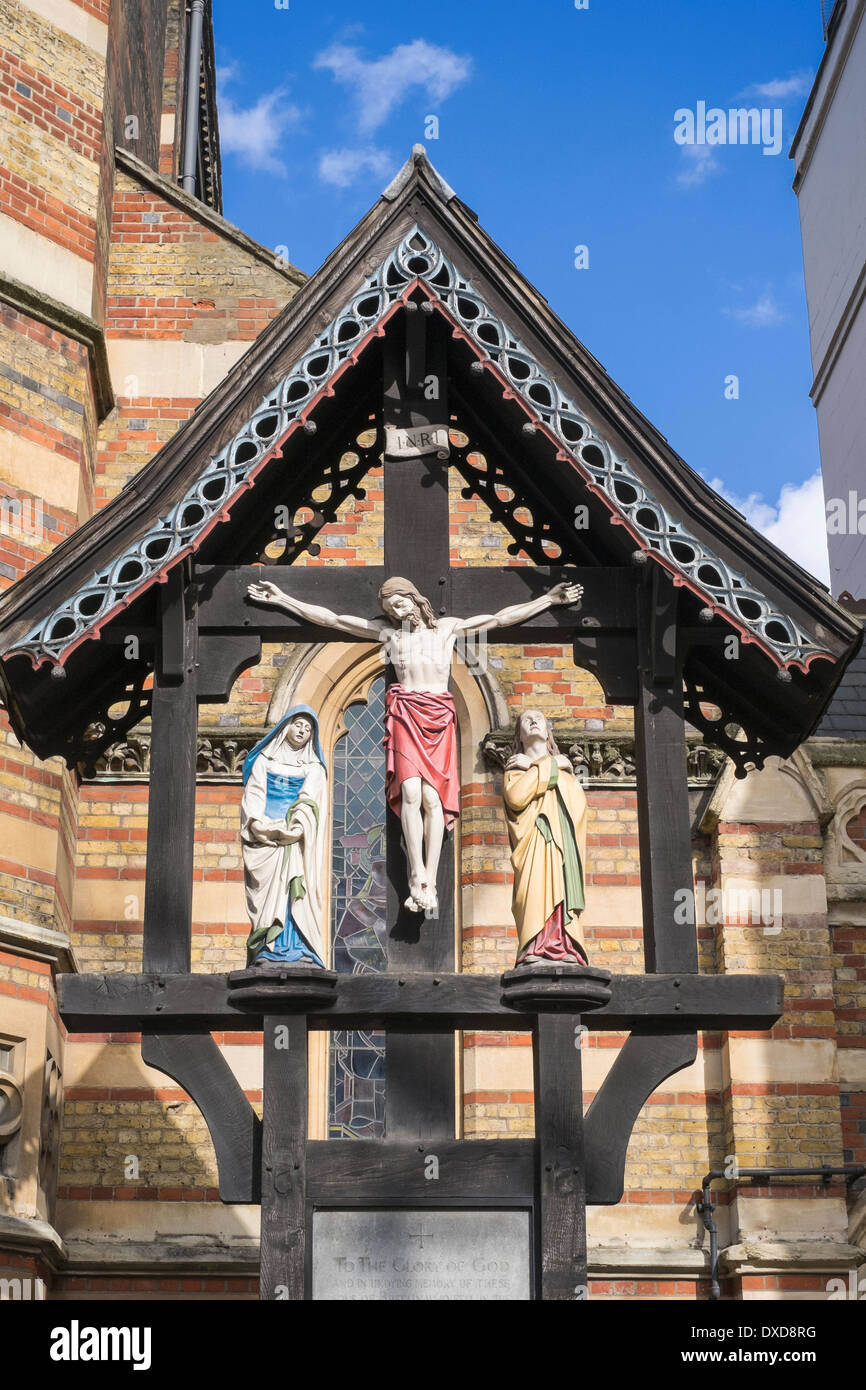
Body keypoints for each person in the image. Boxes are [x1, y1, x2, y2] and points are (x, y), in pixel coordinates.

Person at [247, 575, 583, 914]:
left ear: (414, 598)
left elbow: (497, 618)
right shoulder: (391, 636)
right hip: (406, 713)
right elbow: (334, 619)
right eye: (390, 608)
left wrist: (549, 600)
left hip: (437, 717)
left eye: (399, 602)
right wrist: (283, 600)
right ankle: (415, 873)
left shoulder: (447, 629)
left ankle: (430, 879)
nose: (396, 610)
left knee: (432, 798)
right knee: (409, 792)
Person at [241, 704, 327, 968]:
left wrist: (298, 828)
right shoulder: (264, 762)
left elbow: (309, 801)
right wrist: (257, 825)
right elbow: (254, 796)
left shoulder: (313, 768)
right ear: (286, 726)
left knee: (294, 890)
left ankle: (298, 947)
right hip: (267, 837)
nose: (302, 731)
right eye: (298, 724)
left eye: (308, 728)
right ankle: (268, 948)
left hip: (296, 841)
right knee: (270, 895)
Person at [503, 708, 589, 966]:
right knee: (534, 891)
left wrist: (548, 769)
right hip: (532, 847)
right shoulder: (515, 769)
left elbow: (579, 809)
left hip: (561, 848)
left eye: (538, 718)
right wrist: (550, 764)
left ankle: (563, 945)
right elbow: (517, 797)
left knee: (559, 892)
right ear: (519, 734)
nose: (532, 721)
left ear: (548, 732)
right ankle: (534, 946)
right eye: (526, 720)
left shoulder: (566, 773)